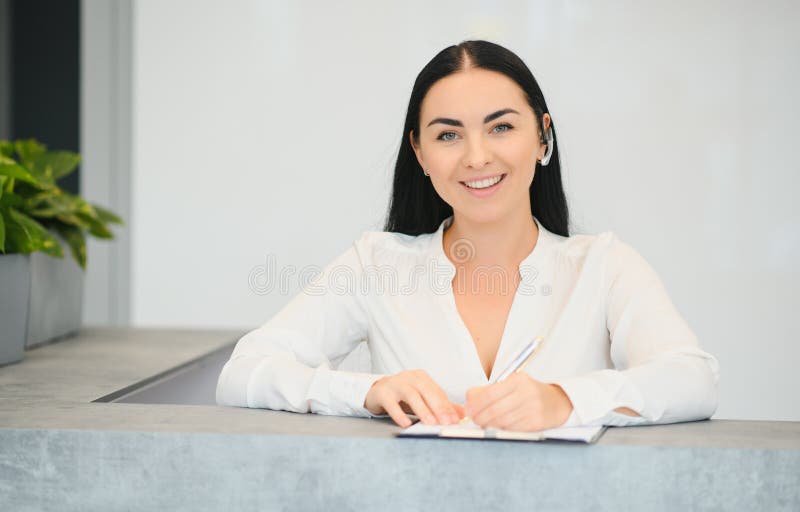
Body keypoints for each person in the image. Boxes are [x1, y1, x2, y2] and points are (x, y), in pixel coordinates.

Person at [216, 40, 719, 431]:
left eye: (501, 128)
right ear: (420, 152)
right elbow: (243, 373)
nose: (477, 157)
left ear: (542, 136)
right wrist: (367, 392)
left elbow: (692, 379)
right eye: (448, 135)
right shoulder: (377, 266)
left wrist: (564, 401)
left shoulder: (603, 266)